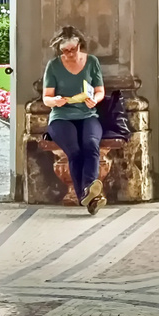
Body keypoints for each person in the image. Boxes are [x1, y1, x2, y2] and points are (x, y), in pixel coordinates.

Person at [43, 25, 108, 213]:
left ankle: (89, 192)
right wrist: (54, 101)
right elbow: (46, 98)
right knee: (75, 150)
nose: (70, 54)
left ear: (80, 46)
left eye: (73, 49)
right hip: (61, 117)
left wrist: (94, 100)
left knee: (91, 144)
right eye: (65, 51)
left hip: (88, 114)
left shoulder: (92, 62)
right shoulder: (54, 66)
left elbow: (100, 90)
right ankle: (89, 196)